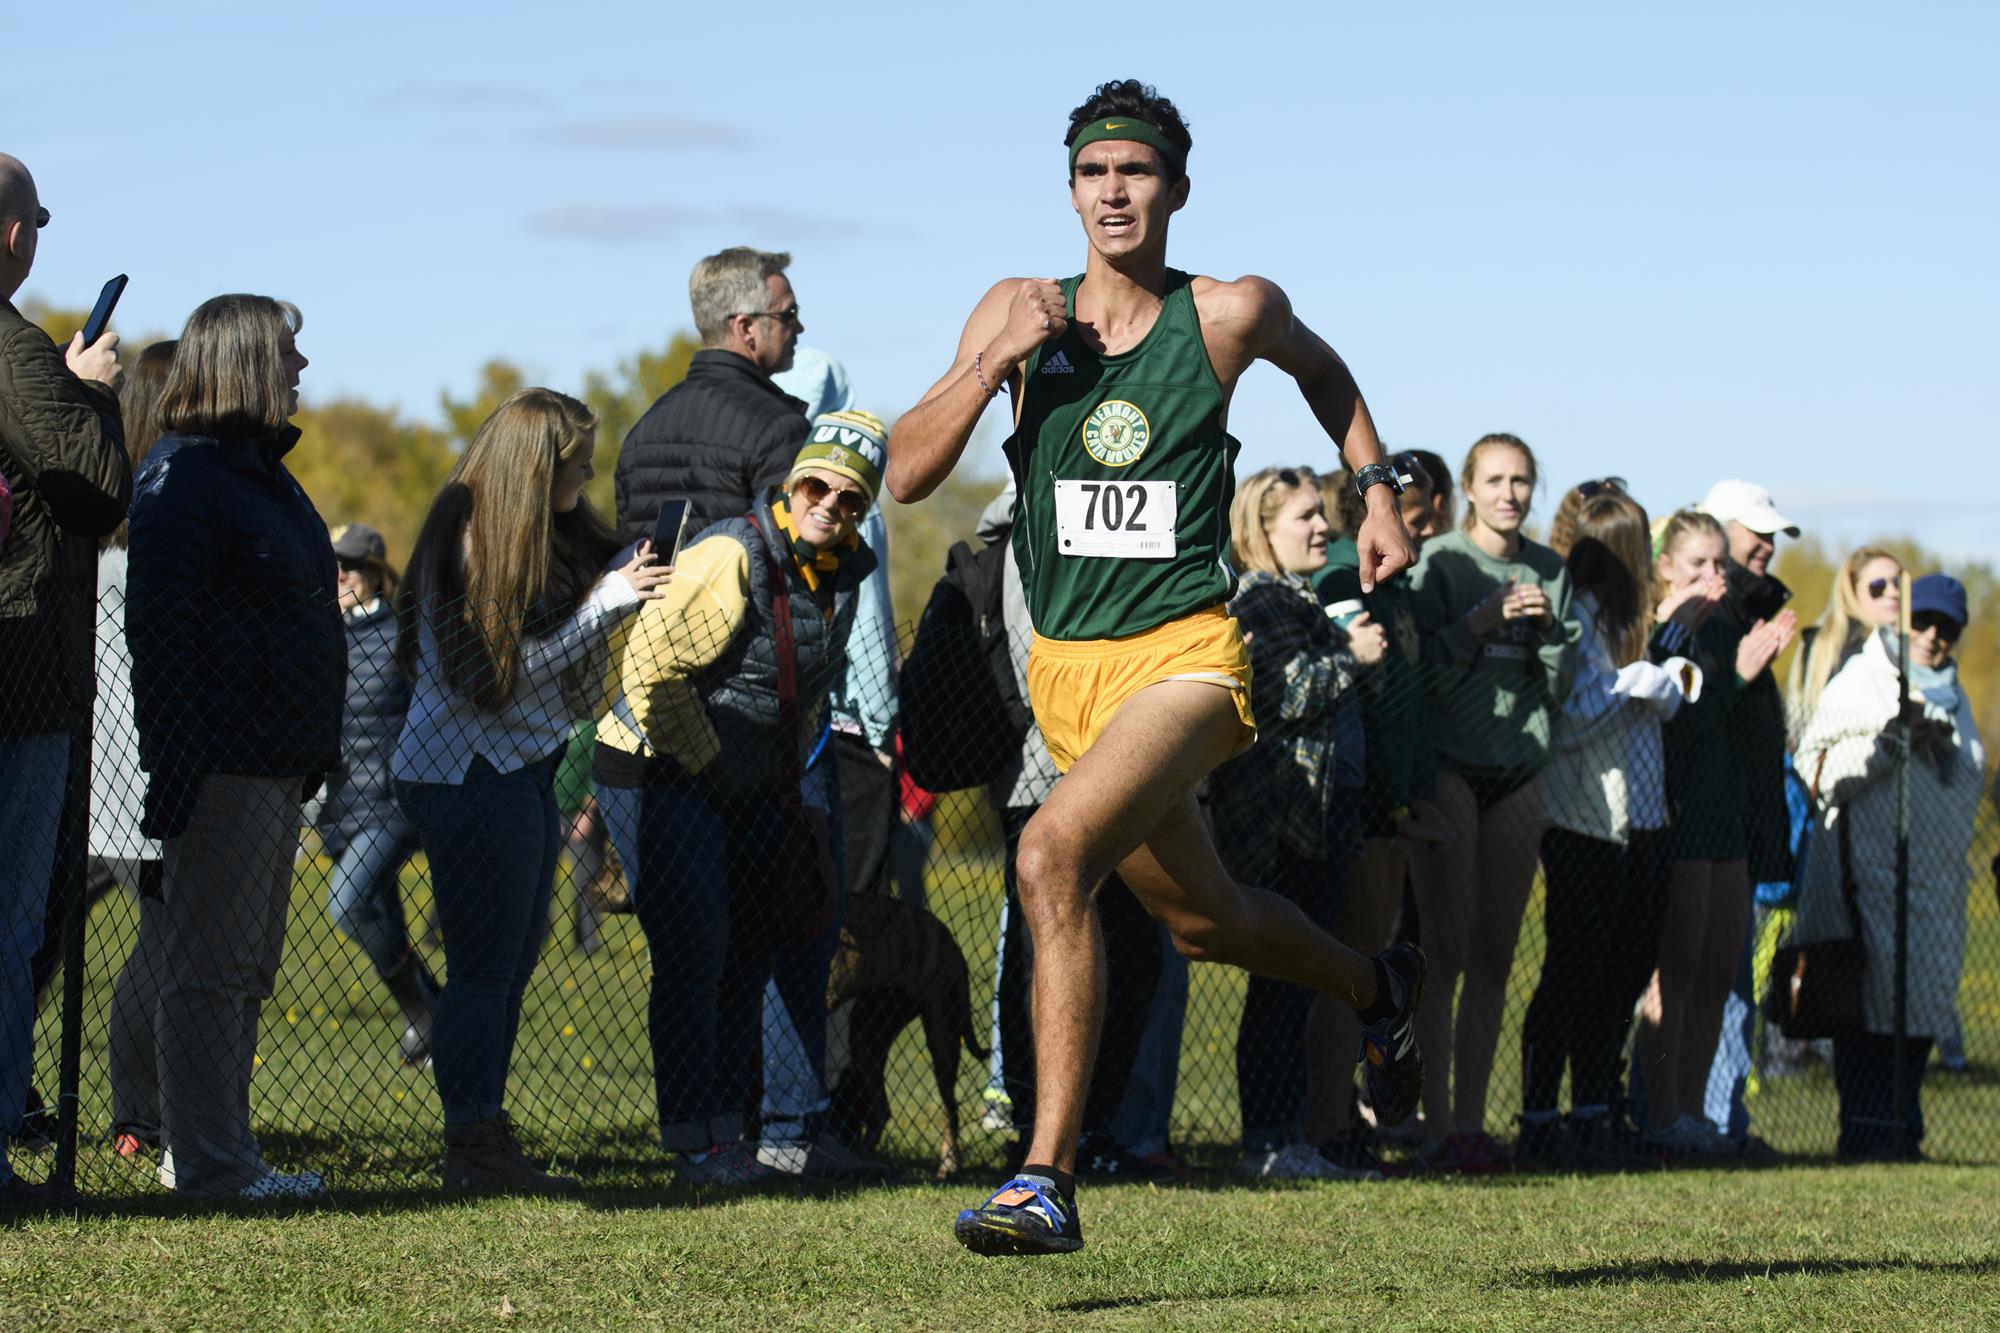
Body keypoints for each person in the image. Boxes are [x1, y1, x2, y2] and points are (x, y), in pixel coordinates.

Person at [886, 80, 1424, 1256]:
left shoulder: (1226, 312)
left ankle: (1044, 1174)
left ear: (1175, 189)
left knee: (1047, 854)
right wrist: (995, 363)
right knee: (1201, 921)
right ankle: (1376, 987)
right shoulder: (1014, 309)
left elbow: (1325, 373)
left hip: (1185, 660)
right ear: (1069, 190)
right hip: (1064, 675)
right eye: (1093, 172)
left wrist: (1375, 492)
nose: (1113, 191)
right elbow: (906, 474)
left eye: (1135, 171)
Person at [393, 387, 669, 1195]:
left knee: (509, 965)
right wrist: (606, 606)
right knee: (484, 967)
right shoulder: (470, 540)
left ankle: (483, 1133)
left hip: (520, 765)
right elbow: (496, 680)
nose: (589, 475)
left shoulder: (537, 530)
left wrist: (618, 570)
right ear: (534, 469)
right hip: (467, 770)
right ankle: (471, 1141)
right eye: (577, 464)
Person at [595, 417, 882, 1184]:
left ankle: (729, 1134)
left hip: (744, 778)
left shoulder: (841, 571)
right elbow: (649, 670)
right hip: (659, 762)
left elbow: (806, 689)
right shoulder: (733, 552)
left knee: (749, 954)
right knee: (696, 952)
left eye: (851, 498)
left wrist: (774, 774)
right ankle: (694, 1143)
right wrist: (709, 760)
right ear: (791, 485)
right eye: (816, 486)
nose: (829, 505)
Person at [126, 294, 337, 1200]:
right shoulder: (187, 477)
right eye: (288, 351)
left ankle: (220, 1151)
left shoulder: (258, 474)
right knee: (209, 970)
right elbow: (160, 628)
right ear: (246, 361)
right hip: (222, 758)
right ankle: (209, 1162)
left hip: (273, 755)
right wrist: (176, 759)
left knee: (244, 970)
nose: (301, 367)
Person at [0, 154, 128, 1208]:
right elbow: (91, 487)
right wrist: (89, 395)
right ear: (14, 235)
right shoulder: (15, 349)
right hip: (19, 673)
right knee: (9, 922)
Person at [1402, 434, 1577, 1173]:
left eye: (1522, 481)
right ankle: (1435, 1124)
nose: (1510, 494)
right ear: (1468, 488)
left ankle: (1472, 1123)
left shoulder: (1550, 569)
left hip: (1519, 768)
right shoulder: (1442, 561)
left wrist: (1546, 633)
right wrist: (1479, 621)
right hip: (1450, 765)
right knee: (1443, 951)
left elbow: (1561, 684)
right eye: (1496, 480)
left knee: (1495, 954)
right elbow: (1418, 674)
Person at [1209, 466, 1380, 1180]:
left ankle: (1292, 1138)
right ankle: (1268, 1143)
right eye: (1305, 516)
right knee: (1277, 987)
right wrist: (1350, 655)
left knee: (1298, 985)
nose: (1323, 528)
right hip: (1279, 823)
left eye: (1321, 514)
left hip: (1319, 817)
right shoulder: (1260, 599)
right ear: (1261, 527)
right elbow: (1279, 691)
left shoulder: (1301, 596)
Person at [1517, 487, 1694, 1167]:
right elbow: (1570, 720)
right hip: (1584, 819)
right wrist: (1633, 684)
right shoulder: (1577, 618)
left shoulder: (1629, 625)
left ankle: (1595, 1108)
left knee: (1625, 972)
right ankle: (1539, 1116)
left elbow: (1646, 705)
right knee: (1573, 970)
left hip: (1643, 818)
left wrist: (1664, 680)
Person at [1795, 574, 1983, 1159]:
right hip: (1869, 876)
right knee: (1869, 1008)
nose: (1932, 637)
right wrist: (1893, 740)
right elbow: (1815, 769)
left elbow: (1970, 777)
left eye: (1945, 628)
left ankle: (1904, 1132)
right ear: (1902, 622)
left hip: (1938, 883)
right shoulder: (1862, 682)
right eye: (1922, 622)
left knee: (1923, 1005)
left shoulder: (1956, 697)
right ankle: (1865, 1131)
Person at [1636, 508, 1795, 1154]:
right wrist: (1737, 678)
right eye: (1697, 563)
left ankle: (1695, 1113)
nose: (1711, 576)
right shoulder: (1664, 633)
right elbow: (1681, 722)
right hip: (1680, 822)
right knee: (1672, 975)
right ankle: (1659, 1113)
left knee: (1715, 976)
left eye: (1719, 564)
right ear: (1665, 567)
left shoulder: (1729, 627)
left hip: (1729, 823)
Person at [1305, 457, 1431, 1172]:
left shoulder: (1402, 590)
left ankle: (1345, 1120)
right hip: (1357, 800)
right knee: (1349, 967)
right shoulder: (1341, 581)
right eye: (1405, 506)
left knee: (1373, 959)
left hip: (1392, 804)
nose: (1417, 521)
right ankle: (1324, 1126)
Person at [95, 339, 175, 1159]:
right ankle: (141, 1118)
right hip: (139, 770)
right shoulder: (155, 530)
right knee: (164, 940)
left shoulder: (100, 525)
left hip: (90, 767)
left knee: (34, 945)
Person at [320, 522, 437, 1067]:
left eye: (348, 565)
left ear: (373, 573)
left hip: (391, 804)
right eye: (332, 565)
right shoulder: (325, 632)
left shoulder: (401, 635)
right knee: (383, 919)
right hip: (342, 803)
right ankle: (431, 1022)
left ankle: (427, 1010)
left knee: (347, 903)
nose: (339, 574)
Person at [614, 246, 809, 539]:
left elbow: (626, 555)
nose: (799, 327)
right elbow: (797, 552)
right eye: (789, 314)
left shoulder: (640, 435)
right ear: (746, 328)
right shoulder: (780, 429)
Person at [1786, 547, 1903, 743]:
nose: (1893, 593)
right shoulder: (1830, 647)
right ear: (1853, 592)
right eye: (1878, 587)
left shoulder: (1914, 648)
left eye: (1899, 583)